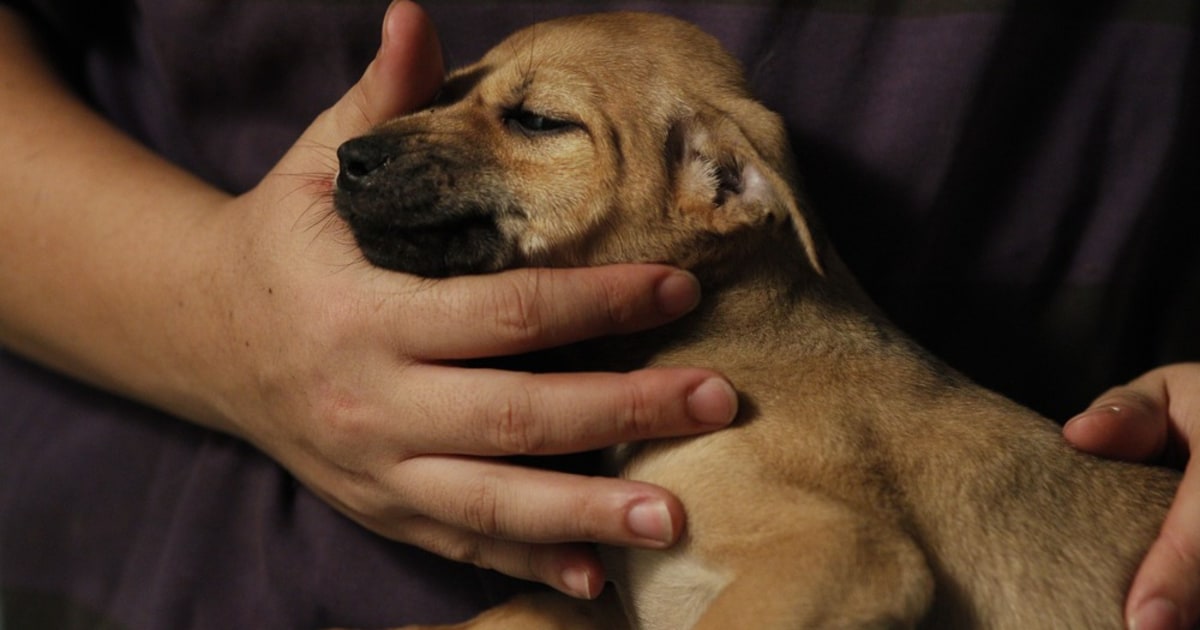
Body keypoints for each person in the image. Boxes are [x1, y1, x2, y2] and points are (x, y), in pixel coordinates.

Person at [0, 1, 1195, 629]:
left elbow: (852, 568)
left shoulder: (772, 414)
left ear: (724, 189)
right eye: (463, 96)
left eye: (531, 123)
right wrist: (211, 313)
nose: (385, 149)